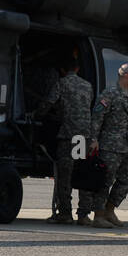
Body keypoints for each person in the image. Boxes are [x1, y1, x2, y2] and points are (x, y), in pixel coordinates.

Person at [84, 63, 128, 228]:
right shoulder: (110, 93)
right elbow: (97, 117)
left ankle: (109, 210)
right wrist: (93, 139)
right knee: (105, 181)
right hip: (109, 145)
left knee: (127, 178)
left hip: (124, 145)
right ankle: (98, 216)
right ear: (127, 76)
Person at [47, 58, 93, 224]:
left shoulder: (62, 83)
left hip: (68, 136)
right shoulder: (87, 86)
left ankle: (66, 213)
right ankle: (83, 215)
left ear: (62, 70)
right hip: (82, 137)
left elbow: (49, 103)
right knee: (80, 174)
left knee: (64, 176)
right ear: (78, 68)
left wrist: (37, 114)